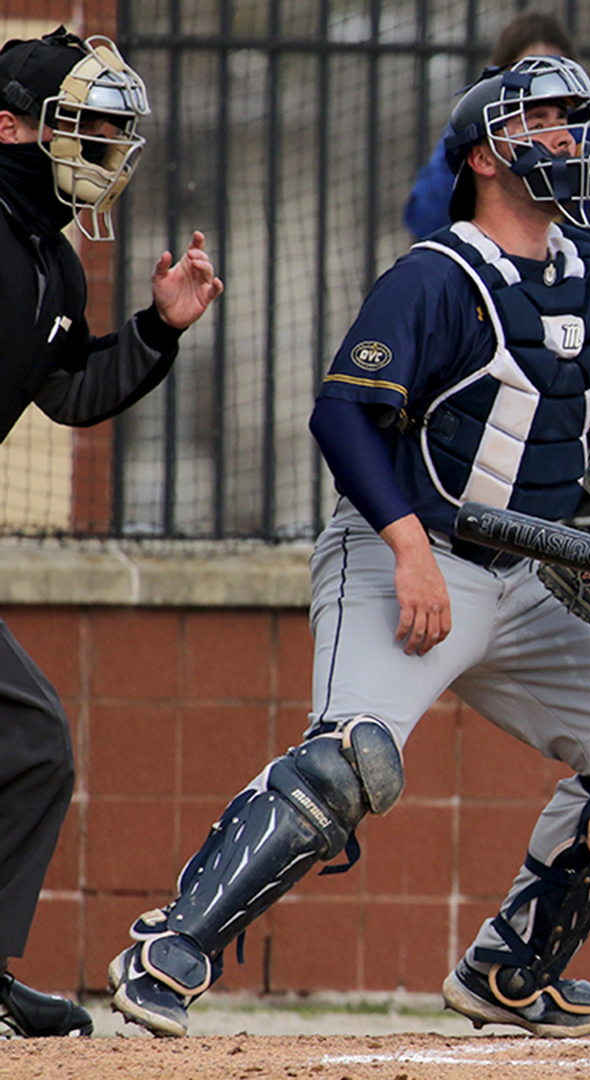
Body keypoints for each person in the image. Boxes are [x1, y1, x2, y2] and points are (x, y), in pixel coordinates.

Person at [109, 54, 590, 1040]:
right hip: (398, 554)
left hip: (522, 575)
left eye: (573, 120)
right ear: (484, 158)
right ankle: (170, 947)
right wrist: (411, 549)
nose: (568, 138)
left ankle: (509, 973)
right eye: (541, 121)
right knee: (352, 764)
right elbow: (341, 420)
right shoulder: (435, 278)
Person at [0, 27, 221, 1039]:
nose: (104, 144)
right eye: (84, 124)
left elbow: (72, 390)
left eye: (110, 128)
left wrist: (159, 328)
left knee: (32, 744)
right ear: (11, 125)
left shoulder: (51, 264)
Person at [404, 10, 575, 238]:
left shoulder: (584, 139)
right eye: (527, 71)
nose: (540, 84)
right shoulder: (474, 135)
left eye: (552, 71)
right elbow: (426, 217)